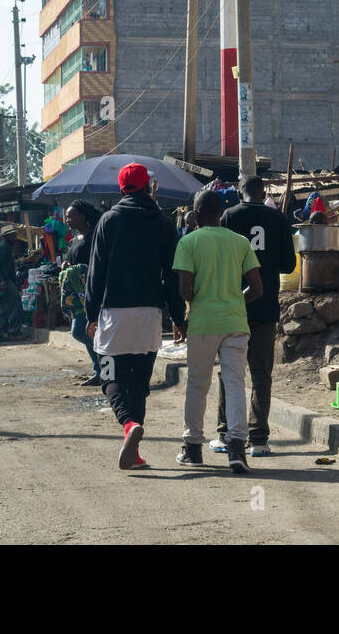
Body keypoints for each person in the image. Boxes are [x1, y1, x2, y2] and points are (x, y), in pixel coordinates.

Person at [84, 163, 185, 471]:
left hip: (114, 314)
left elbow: (95, 273)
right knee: (139, 382)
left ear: (121, 188)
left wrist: (90, 314)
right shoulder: (163, 223)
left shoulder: (108, 220)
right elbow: (172, 275)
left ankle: (128, 425)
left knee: (111, 375)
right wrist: (178, 317)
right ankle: (134, 451)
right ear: (149, 186)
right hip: (150, 315)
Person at [172, 188, 263, 474]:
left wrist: (201, 298)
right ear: (221, 214)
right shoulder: (239, 242)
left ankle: (193, 449)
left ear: (196, 214)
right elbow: (257, 288)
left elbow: (185, 290)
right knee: (235, 383)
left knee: (198, 384)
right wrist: (235, 298)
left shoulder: (188, 242)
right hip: (236, 323)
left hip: (202, 324)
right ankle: (237, 447)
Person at [210, 175, 295, 457]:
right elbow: (288, 264)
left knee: (230, 371)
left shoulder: (228, 217)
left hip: (232, 307)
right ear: (264, 192)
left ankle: (225, 433)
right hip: (266, 305)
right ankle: (258, 439)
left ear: (238, 191)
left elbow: (219, 260)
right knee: (261, 373)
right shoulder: (278, 219)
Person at [63, 199, 103, 386]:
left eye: (71, 216)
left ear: (82, 216)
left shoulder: (95, 237)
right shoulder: (73, 241)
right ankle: (100, 370)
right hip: (76, 294)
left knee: (80, 331)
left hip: (92, 292)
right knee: (83, 331)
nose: (67, 220)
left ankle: (104, 367)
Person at [0, 227, 24, 342]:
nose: (15, 238)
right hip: (2, 282)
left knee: (5, 307)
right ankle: (11, 331)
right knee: (12, 305)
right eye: (13, 236)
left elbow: (9, 269)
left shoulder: (7, 248)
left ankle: (1, 333)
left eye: (15, 236)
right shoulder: (2, 248)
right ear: (6, 237)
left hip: (6, 281)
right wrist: (1, 281)